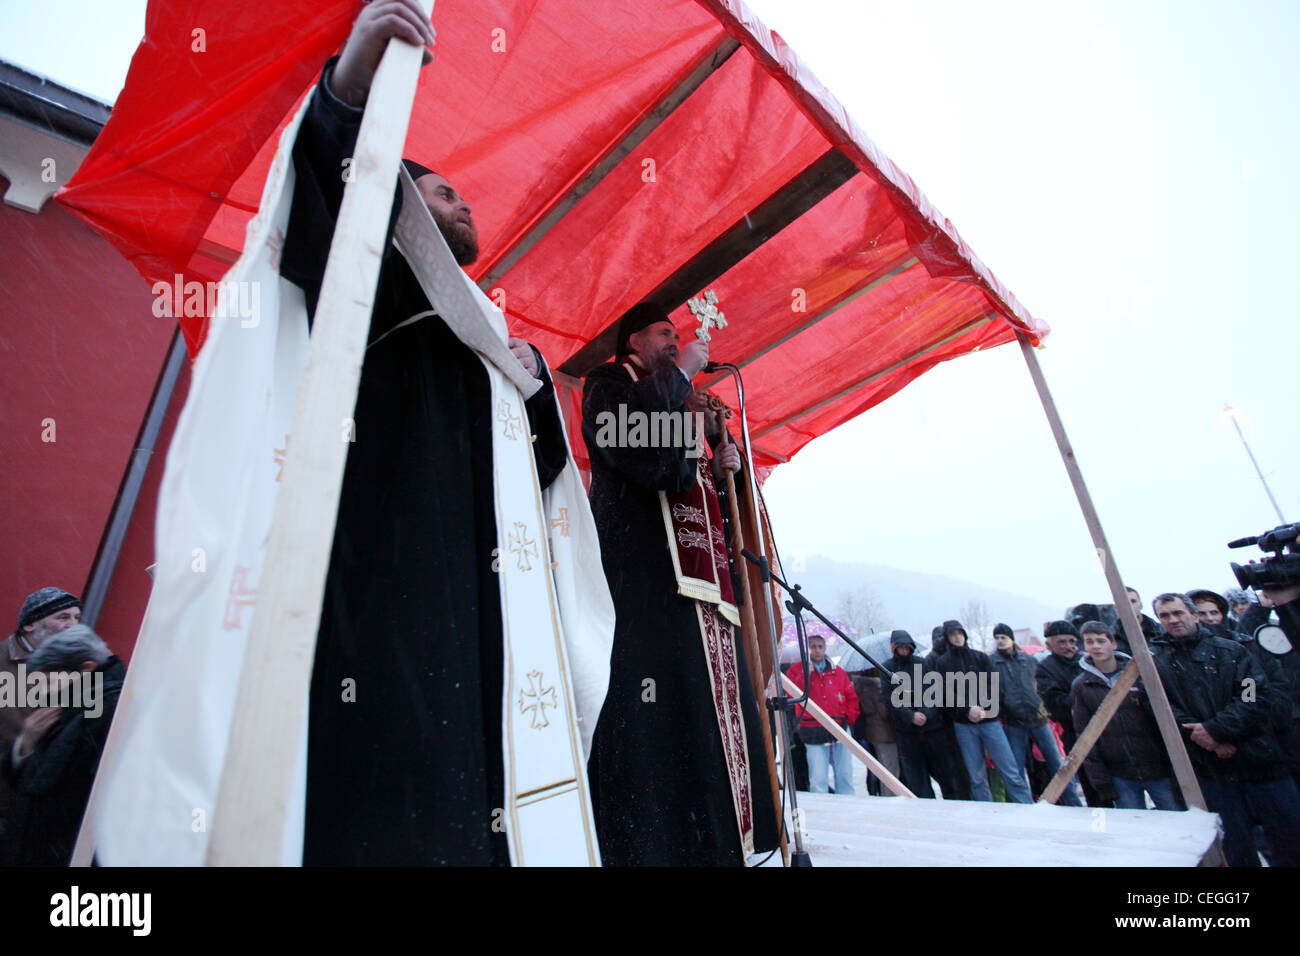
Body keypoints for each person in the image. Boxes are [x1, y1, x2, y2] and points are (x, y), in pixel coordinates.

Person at [278, 0, 606, 865]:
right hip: (393, 573)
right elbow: (327, 198)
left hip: (492, 598)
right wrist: (354, 91)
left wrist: (535, 395)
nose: (465, 206)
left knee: (485, 778)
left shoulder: (497, 337)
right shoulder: (372, 283)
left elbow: (541, 476)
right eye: (441, 193)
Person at [582, 300, 777, 864]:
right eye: (664, 333)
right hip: (642, 575)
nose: (675, 340)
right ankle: (653, 845)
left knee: (710, 711)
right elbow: (637, 456)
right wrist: (683, 372)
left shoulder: (683, 405)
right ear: (633, 343)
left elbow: (695, 493)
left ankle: (718, 838)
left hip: (707, 589)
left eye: (678, 336)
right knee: (653, 713)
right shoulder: (609, 382)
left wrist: (723, 473)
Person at [1151, 592, 1300, 866]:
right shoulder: (1155, 662)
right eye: (1165, 615)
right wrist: (1208, 740)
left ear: (1193, 614)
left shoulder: (1233, 650)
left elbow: (1253, 694)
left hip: (1259, 758)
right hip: (1211, 768)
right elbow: (1163, 708)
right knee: (1235, 845)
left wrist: (1218, 730)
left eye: (1178, 613)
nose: (1173, 620)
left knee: (1289, 836)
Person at [0, 625, 124, 866]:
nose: (44, 692)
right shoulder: (74, 706)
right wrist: (25, 745)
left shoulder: (108, 714)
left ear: (85, 670)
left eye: (50, 681)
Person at [1070, 622, 1180, 810]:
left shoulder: (1140, 674)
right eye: (1090, 642)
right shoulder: (1082, 685)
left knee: (1174, 816)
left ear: (1113, 644)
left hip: (1156, 765)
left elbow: (1163, 717)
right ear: (1084, 647)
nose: (1096, 646)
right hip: (1119, 771)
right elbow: (1084, 733)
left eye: (1100, 640)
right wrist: (1100, 779)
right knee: (1132, 827)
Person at [1, 588, 82, 839]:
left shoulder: (77, 669)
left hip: (35, 810)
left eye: (77, 618)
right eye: (63, 617)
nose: (73, 626)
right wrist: (23, 746)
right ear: (30, 624)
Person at [934, 620, 1033, 803]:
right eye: (953, 634)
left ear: (964, 635)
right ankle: (985, 812)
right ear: (947, 638)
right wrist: (967, 709)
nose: (957, 638)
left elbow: (995, 686)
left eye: (959, 633)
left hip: (989, 720)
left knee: (1009, 770)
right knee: (977, 776)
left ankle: (1026, 806)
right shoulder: (943, 663)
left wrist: (983, 708)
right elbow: (945, 693)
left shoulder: (980, 657)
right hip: (963, 724)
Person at [990, 623, 1083, 806]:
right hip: (1013, 721)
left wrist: (1043, 707)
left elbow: (1040, 686)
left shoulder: (1029, 660)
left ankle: (1072, 802)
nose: (1000, 641)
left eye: (1004, 637)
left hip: (1039, 718)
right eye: (997, 638)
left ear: (1011, 639)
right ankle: (1023, 804)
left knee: (1057, 763)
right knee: (1016, 767)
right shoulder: (992, 663)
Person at [879, 630, 966, 799]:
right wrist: (910, 716)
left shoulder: (923, 664)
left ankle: (953, 804)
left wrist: (925, 712)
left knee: (946, 775)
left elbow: (935, 691)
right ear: (894, 648)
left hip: (933, 729)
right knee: (917, 780)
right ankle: (926, 809)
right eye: (900, 647)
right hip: (907, 732)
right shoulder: (887, 669)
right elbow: (889, 698)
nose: (904, 650)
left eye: (907, 647)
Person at [785, 635, 860, 796]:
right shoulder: (797, 670)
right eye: (813, 646)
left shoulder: (838, 672)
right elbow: (790, 695)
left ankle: (849, 810)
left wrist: (849, 718)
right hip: (812, 730)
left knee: (845, 775)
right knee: (818, 778)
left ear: (825, 649)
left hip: (839, 727)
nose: (817, 650)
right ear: (808, 649)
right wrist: (805, 676)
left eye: (820, 646)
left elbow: (851, 697)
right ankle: (823, 814)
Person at [852, 669, 898, 795]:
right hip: (883, 733)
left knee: (877, 769)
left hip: (870, 733)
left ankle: (877, 794)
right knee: (889, 770)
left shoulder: (860, 686)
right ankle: (888, 797)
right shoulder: (875, 688)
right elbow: (884, 712)